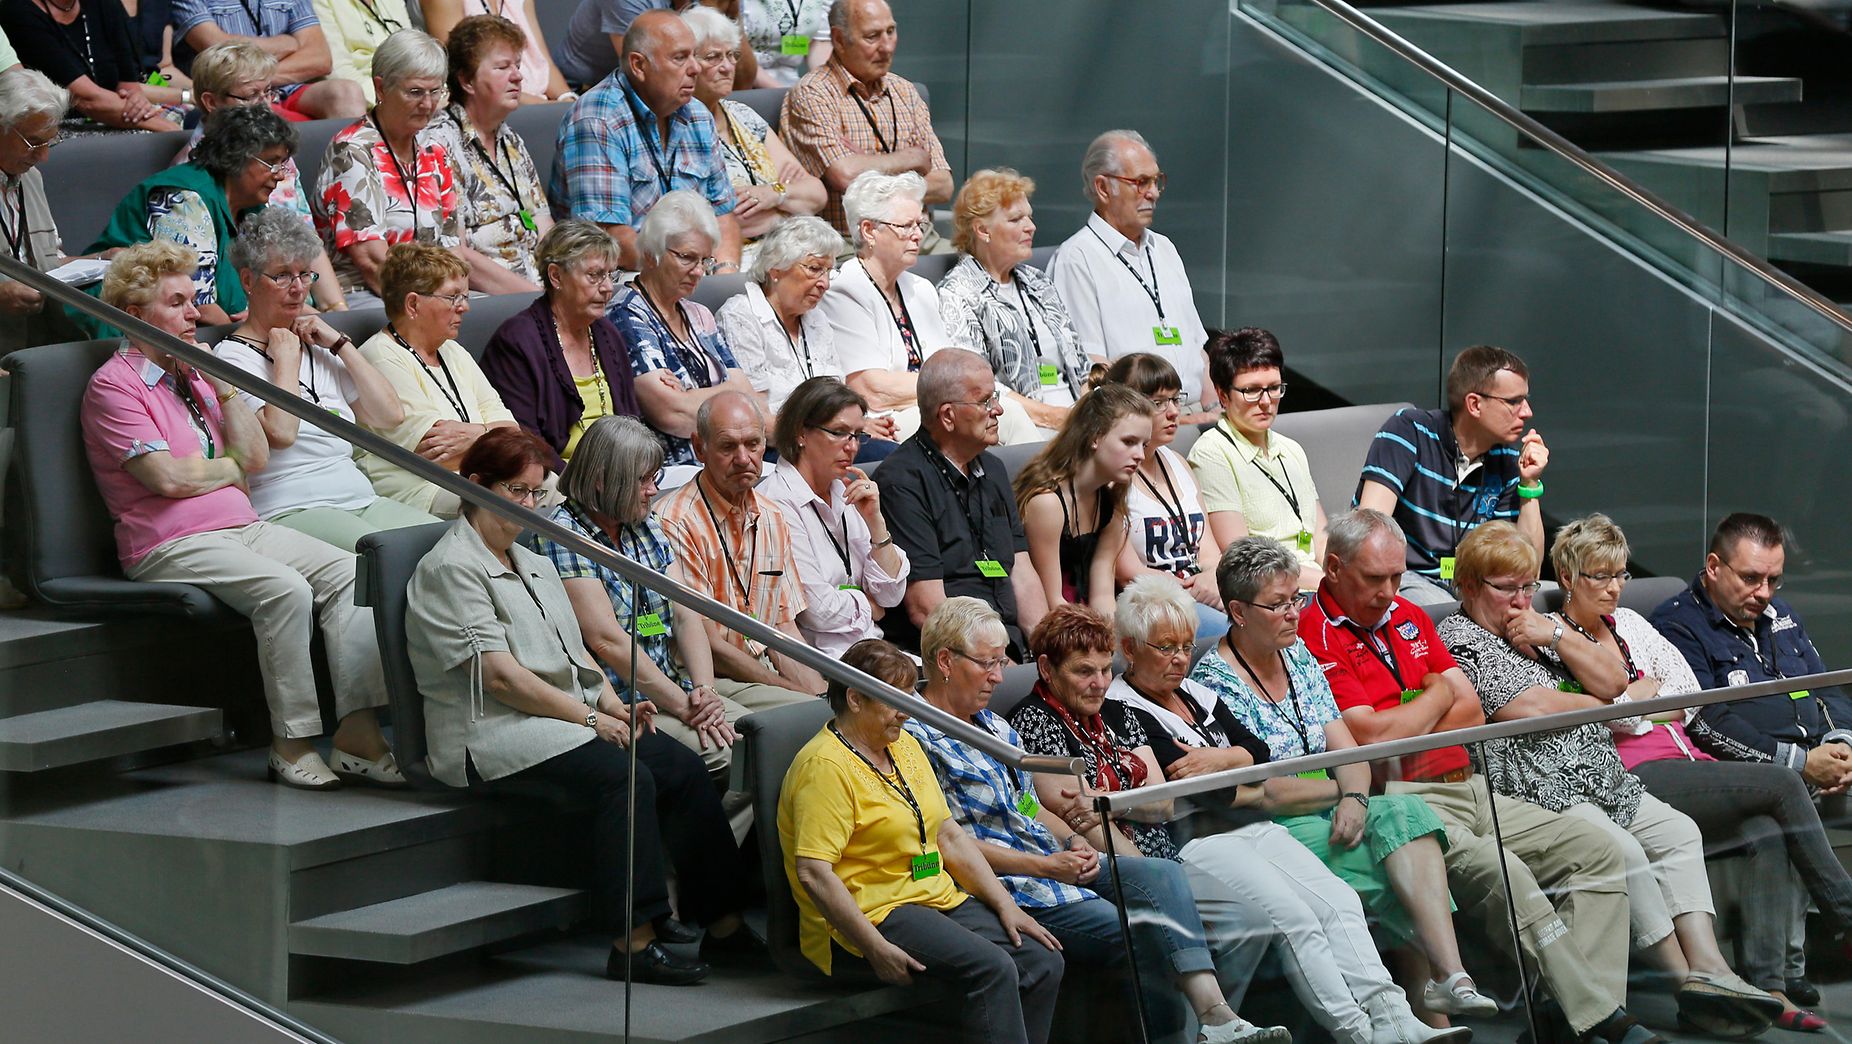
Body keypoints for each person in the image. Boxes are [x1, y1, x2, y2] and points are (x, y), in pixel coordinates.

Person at [1010, 605, 1465, 1044]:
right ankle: (1360, 1034)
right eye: (1083, 672)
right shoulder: (1037, 720)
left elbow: (1170, 797)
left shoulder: (1117, 712)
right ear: (1048, 669)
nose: (1098, 683)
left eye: (1103, 670)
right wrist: (1135, 811)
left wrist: (1113, 801)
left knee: (1339, 900)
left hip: (1211, 832)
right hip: (1171, 850)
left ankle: (1394, 1018)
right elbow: (1081, 813)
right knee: (1294, 918)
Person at [405, 426, 759, 985]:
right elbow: (501, 680)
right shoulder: (451, 567)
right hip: (491, 732)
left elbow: (581, 659)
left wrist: (614, 705)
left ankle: (724, 923)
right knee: (628, 776)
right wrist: (592, 718)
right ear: (476, 486)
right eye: (515, 492)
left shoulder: (535, 562)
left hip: (560, 717)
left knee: (681, 766)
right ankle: (633, 941)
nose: (527, 505)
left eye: (535, 493)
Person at [1299, 508, 1662, 1044]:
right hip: (1403, 799)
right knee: (1507, 874)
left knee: (1600, 851)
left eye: (1398, 576)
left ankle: (1569, 1021)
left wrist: (1430, 705)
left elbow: (1470, 713)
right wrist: (1441, 691)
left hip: (1470, 785)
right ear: (1332, 567)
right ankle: (1604, 1020)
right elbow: (1372, 740)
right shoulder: (1314, 632)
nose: (1389, 590)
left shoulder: (1406, 612)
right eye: (1374, 578)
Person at [82, 241, 400, 790]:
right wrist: (227, 469)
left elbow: (254, 457)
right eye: (177, 303)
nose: (194, 314)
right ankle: (292, 743)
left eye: (193, 300)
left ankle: (358, 733)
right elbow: (167, 480)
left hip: (243, 527)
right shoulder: (114, 386)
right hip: (167, 543)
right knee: (286, 591)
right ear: (134, 315)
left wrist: (223, 387)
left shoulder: (199, 373)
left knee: (355, 574)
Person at [1441, 520, 1779, 1036]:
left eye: (1527, 587)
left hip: (1601, 773)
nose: (1519, 600)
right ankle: (1685, 982)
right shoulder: (1459, 638)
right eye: (1505, 588)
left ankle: (1712, 969)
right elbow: (1526, 707)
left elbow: (1614, 678)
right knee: (1622, 851)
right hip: (1534, 787)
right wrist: (1599, 704)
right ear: (1467, 586)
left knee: (1678, 832)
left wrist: (1553, 632)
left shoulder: (1537, 626)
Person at [912, 597, 1290, 1044]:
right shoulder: (916, 737)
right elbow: (947, 841)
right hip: (1009, 881)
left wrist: (1072, 839)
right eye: (989, 663)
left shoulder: (995, 727)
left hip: (1062, 861)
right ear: (944, 662)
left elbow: (1035, 809)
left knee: (1162, 876)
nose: (999, 675)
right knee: (1144, 931)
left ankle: (1218, 1017)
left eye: (1001, 662)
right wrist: (1064, 850)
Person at [1557, 513, 1852, 1031]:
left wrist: (1636, 697)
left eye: (1620, 575)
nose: (1613, 588)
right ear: (1567, 577)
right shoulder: (1558, 640)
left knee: (1765, 826)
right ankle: (1846, 914)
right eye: (1599, 575)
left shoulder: (1632, 624)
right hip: (1635, 774)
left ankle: (1770, 987)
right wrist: (1635, 698)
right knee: (1785, 783)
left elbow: (1687, 698)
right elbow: (1619, 717)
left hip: (1694, 763)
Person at [1185, 540, 1494, 1021]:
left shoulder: (1301, 658)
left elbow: (1346, 747)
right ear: (1238, 612)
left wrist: (1354, 791)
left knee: (1410, 813)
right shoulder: (1212, 683)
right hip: (1277, 826)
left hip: (1335, 798)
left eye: (1296, 600)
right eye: (1279, 604)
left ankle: (1450, 978)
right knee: (1393, 872)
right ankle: (1422, 1007)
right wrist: (1344, 793)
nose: (1293, 614)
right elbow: (1265, 791)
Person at [531, 414, 809, 837]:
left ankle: (738, 859)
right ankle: (714, 868)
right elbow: (607, 642)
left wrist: (706, 690)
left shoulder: (645, 524)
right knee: (750, 755)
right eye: (643, 479)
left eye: (655, 476)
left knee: (812, 724)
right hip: (626, 701)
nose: (653, 489)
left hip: (680, 684)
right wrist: (685, 707)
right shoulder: (562, 534)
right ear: (604, 480)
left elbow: (685, 611)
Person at [779, 637, 1065, 1044]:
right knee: (994, 967)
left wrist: (1006, 906)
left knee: (1041, 958)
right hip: (875, 909)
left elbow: (947, 833)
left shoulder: (905, 745)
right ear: (856, 698)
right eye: (894, 698)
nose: (906, 711)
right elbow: (813, 872)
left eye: (909, 696)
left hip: (933, 892)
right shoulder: (823, 766)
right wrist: (874, 946)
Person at [214, 207, 437, 549]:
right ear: (248, 280)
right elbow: (281, 434)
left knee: (447, 544)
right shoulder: (232, 357)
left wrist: (341, 344)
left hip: (360, 498)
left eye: (305, 275)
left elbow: (389, 416)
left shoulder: (317, 345)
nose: (298, 288)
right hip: (289, 506)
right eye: (283, 276)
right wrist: (285, 363)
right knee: (387, 557)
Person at [317, 30, 533, 300]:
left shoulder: (433, 149)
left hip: (434, 294)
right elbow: (373, 264)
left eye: (435, 92)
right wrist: (437, 302)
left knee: (498, 313)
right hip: (372, 296)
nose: (428, 104)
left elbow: (453, 247)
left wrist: (455, 296)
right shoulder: (352, 151)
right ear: (381, 88)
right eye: (415, 92)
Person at [1650, 512, 1852, 784]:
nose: (1764, 593)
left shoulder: (1781, 614)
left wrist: (1839, 746)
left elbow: (1825, 688)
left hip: (1818, 756)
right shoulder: (1677, 627)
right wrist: (1801, 764)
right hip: (1755, 776)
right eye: (1750, 578)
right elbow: (1707, 724)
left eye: (1773, 580)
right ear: (1713, 567)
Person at [872, 348, 1046, 658]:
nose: (998, 410)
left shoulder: (993, 469)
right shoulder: (902, 480)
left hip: (1011, 644)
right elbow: (926, 609)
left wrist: (1047, 648)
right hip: (958, 654)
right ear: (948, 416)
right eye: (985, 401)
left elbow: (1021, 568)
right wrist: (991, 659)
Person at [656, 390, 826, 696]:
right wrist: (795, 694)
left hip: (764, 669)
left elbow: (784, 628)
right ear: (699, 448)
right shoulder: (675, 521)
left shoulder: (772, 516)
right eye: (727, 447)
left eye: (752, 444)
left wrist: (821, 696)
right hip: (709, 676)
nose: (743, 458)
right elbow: (709, 644)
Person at [1355, 345, 1550, 605]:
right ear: (1474, 404)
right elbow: (1369, 529)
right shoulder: (1410, 431)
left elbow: (1527, 572)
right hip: (1406, 579)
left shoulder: (1506, 461)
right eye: (1514, 402)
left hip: (1469, 584)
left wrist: (1529, 483)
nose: (1527, 412)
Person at [77, 103, 295, 336]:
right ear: (237, 156)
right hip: (122, 329)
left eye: (282, 163)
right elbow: (196, 302)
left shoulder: (252, 203)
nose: (280, 174)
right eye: (272, 163)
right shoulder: (185, 199)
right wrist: (249, 330)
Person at [550, 9, 741, 271]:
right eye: (680, 58)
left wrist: (725, 273)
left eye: (694, 56)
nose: (695, 68)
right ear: (639, 65)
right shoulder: (598, 120)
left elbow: (723, 214)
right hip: (621, 279)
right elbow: (610, 239)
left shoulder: (697, 115)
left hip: (690, 271)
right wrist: (683, 274)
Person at [1050, 129, 1214, 424]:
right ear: (1103, 188)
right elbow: (1092, 373)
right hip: (1135, 424)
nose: (1152, 193)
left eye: (1156, 181)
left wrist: (1215, 411)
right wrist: (1171, 418)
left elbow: (1197, 349)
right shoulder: (1077, 258)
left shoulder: (1164, 248)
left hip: (1196, 418)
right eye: (1140, 182)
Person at [174, 42, 343, 311]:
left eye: (269, 92)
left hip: (301, 299)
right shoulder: (191, 179)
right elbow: (215, 292)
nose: (265, 107)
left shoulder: (273, 149)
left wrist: (336, 309)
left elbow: (305, 236)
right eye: (252, 95)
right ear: (211, 102)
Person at [355, 242, 518, 517]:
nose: (464, 307)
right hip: (422, 492)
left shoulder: (452, 350)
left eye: (465, 296)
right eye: (453, 297)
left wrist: (477, 434)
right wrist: (493, 434)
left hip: (480, 477)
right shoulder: (380, 356)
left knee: (557, 489)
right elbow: (439, 455)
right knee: (512, 503)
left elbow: (513, 432)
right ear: (413, 304)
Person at [816, 170, 976, 443]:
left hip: (938, 408)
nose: (917, 236)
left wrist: (955, 387)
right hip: (889, 423)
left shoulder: (922, 289)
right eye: (906, 226)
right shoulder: (843, 290)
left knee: (1008, 414)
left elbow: (945, 364)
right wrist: (956, 387)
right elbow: (870, 388)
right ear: (869, 231)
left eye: (920, 225)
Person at [778, 0, 951, 249]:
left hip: (920, 238)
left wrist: (868, 171)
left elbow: (943, 185)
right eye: (872, 37)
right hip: (852, 246)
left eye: (890, 32)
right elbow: (845, 175)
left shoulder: (905, 91)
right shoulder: (812, 93)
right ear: (838, 39)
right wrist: (911, 159)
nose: (886, 47)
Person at [758, 377, 908, 657]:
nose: (852, 447)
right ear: (801, 433)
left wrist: (876, 523)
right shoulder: (776, 500)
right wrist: (869, 605)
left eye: (857, 435)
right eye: (839, 432)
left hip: (875, 650)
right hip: (827, 661)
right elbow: (817, 611)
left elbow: (891, 595)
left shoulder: (847, 491)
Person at [938, 168, 1091, 436]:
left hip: (1075, 419)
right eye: (1015, 219)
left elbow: (1080, 362)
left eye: (1029, 217)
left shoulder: (1038, 282)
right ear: (983, 230)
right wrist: (1054, 417)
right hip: (1021, 427)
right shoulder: (958, 292)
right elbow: (976, 386)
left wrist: (1090, 409)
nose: (1031, 226)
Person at [607, 190, 752, 469]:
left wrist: (688, 394)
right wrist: (725, 392)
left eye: (705, 261)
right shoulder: (626, 315)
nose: (699, 271)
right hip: (672, 471)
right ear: (651, 255)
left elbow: (747, 398)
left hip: (727, 463)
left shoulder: (699, 314)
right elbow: (672, 415)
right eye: (687, 257)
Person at [480, 218, 640, 471]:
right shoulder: (517, 341)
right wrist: (585, 484)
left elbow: (632, 419)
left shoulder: (606, 333)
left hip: (620, 476)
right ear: (556, 276)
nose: (608, 287)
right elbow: (524, 440)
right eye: (595, 275)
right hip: (556, 481)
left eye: (611, 274)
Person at [684, 6, 824, 269]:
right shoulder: (680, 126)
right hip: (730, 264)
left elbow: (816, 194)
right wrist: (788, 210)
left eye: (732, 55)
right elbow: (727, 222)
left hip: (785, 254)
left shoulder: (742, 114)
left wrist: (774, 193)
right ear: (687, 64)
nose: (727, 67)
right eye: (713, 57)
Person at [1188, 328, 1326, 589]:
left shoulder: (1291, 449)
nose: (1265, 402)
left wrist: (1347, 576)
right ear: (1222, 395)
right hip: (1271, 593)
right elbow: (1244, 560)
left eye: (1273, 388)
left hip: (1319, 586)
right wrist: (1329, 582)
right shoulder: (1212, 454)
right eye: (1251, 391)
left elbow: (1321, 538)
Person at [424, 15, 553, 285]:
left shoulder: (512, 141)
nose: (518, 76)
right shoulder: (439, 143)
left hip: (538, 287)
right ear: (466, 81)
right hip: (486, 297)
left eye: (517, 65)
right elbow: (457, 254)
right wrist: (534, 298)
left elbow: (544, 228)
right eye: (503, 67)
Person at [1108, 354, 1224, 638]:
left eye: (1175, 399)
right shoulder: (1113, 476)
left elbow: (1210, 551)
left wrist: (1212, 579)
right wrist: (1193, 590)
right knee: (1234, 631)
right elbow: (1127, 572)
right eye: (1158, 403)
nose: (1173, 412)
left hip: (1199, 591)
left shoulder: (1178, 463)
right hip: (1151, 603)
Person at [715, 215, 868, 430]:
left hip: (828, 437)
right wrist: (828, 434)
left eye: (829, 272)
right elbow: (755, 416)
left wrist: (859, 426)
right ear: (776, 269)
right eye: (814, 269)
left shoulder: (817, 318)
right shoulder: (740, 316)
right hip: (779, 445)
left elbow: (836, 394)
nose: (825, 283)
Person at [1013, 384, 1149, 622]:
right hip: (1051, 622)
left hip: (1087, 620)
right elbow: (1052, 600)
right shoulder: (1047, 503)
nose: (1140, 455)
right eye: (1129, 442)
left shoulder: (1111, 505)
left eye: (1143, 445)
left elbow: (1103, 595)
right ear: (1095, 437)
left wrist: (1111, 640)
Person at [0, 0, 181, 130]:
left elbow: (130, 86)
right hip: (58, 127)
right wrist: (167, 129)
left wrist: (137, 102)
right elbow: (85, 99)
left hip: (119, 114)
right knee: (168, 138)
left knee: (188, 122)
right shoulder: (19, 11)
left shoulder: (105, 4)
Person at [169, 0, 367, 118]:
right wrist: (286, 43)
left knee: (346, 92)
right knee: (249, 98)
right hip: (236, 96)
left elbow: (320, 58)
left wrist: (258, 79)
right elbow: (219, 51)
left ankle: (344, 178)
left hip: (288, 87)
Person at [0, 69, 78, 352]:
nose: (43, 157)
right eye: (34, 142)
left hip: (39, 344)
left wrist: (103, 261)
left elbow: (50, 259)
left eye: (50, 143)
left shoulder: (30, 177)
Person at [420, 0, 573, 102]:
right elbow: (460, 70)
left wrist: (568, 99)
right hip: (493, 107)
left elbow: (542, 61)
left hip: (541, 103)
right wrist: (548, 108)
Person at [310, 0, 415, 105]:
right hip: (366, 100)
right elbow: (339, 71)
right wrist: (394, 100)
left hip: (410, 91)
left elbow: (413, 52)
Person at [738, 0, 826, 86]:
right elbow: (736, 49)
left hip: (794, 82)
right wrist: (785, 93)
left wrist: (821, 87)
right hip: (745, 81)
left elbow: (820, 41)